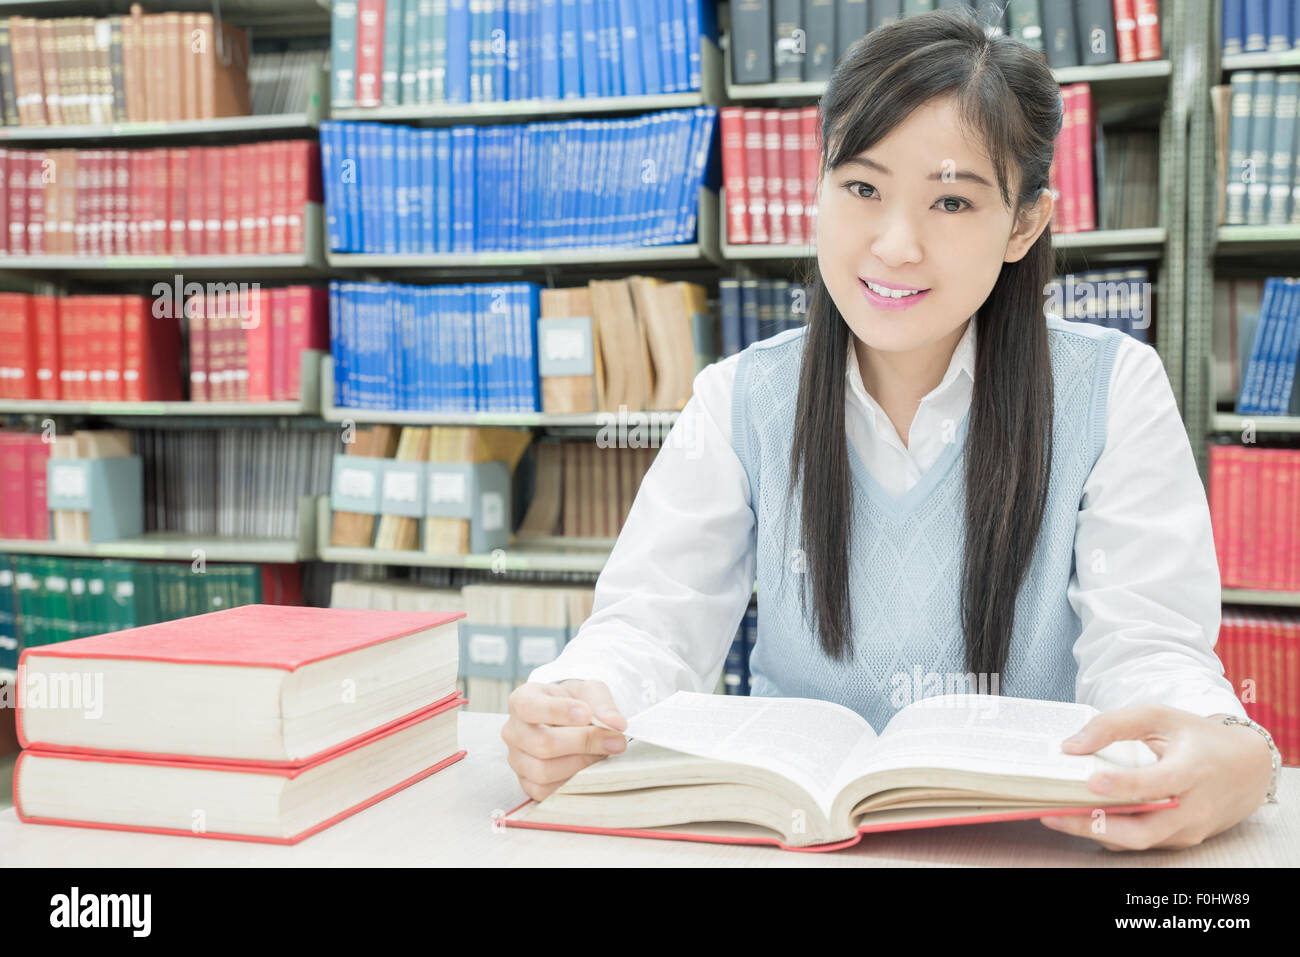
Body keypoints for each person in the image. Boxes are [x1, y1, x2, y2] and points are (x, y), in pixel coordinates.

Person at [501, 6, 1279, 851]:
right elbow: (650, 621)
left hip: (1024, 845)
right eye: (863, 188)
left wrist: (1218, 741)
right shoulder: (740, 396)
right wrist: (575, 700)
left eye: (951, 200)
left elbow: (1149, 645)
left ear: (1024, 223)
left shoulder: (1113, 390)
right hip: (797, 841)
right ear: (820, 186)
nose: (895, 245)